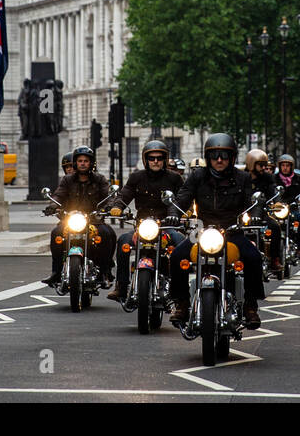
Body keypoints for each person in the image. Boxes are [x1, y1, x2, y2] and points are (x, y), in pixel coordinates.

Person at [169, 133, 265, 329]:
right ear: (208, 157)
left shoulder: (243, 178)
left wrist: (255, 213)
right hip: (203, 232)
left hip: (232, 232)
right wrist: (173, 213)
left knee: (254, 257)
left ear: (232, 157)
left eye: (224, 155)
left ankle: (250, 305)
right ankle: (182, 303)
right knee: (177, 255)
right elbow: (182, 198)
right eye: (214, 155)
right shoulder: (197, 176)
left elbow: (252, 201)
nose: (219, 159)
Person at [105, 139, 185, 302]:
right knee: (123, 242)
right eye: (151, 158)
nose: (155, 161)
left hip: (166, 226)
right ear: (145, 160)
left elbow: (182, 198)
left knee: (182, 244)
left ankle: (181, 291)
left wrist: (181, 212)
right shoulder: (136, 177)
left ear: (165, 159)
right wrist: (117, 207)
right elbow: (125, 194)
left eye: (159, 158)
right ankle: (121, 285)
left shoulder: (174, 178)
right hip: (142, 226)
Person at [41, 146, 116, 287]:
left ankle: (104, 272)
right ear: (76, 163)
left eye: (86, 161)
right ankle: (56, 271)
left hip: (94, 220)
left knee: (107, 234)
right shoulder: (67, 180)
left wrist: (110, 207)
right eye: (80, 160)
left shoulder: (99, 179)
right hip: (71, 218)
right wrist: (52, 205)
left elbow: (108, 196)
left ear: (91, 163)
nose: (82, 163)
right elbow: (59, 194)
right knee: (55, 233)